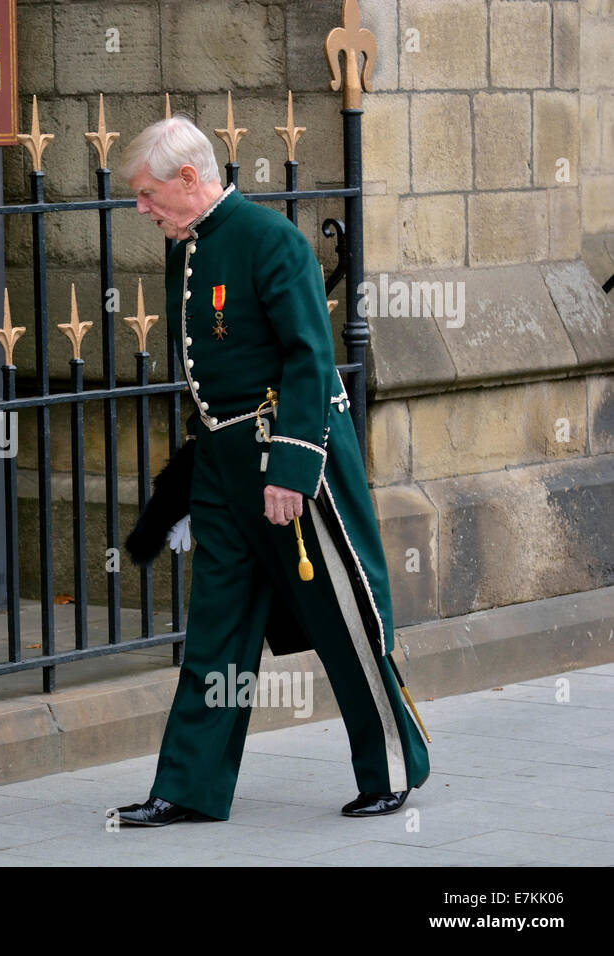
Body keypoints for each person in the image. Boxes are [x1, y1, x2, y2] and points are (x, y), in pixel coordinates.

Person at [112, 115, 430, 825]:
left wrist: (290, 468)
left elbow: (308, 356)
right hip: (224, 464)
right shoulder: (188, 245)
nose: (141, 208)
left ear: (190, 180)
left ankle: (391, 765)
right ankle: (189, 788)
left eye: (147, 193)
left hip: (289, 454)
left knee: (342, 615)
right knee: (215, 625)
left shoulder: (271, 241)